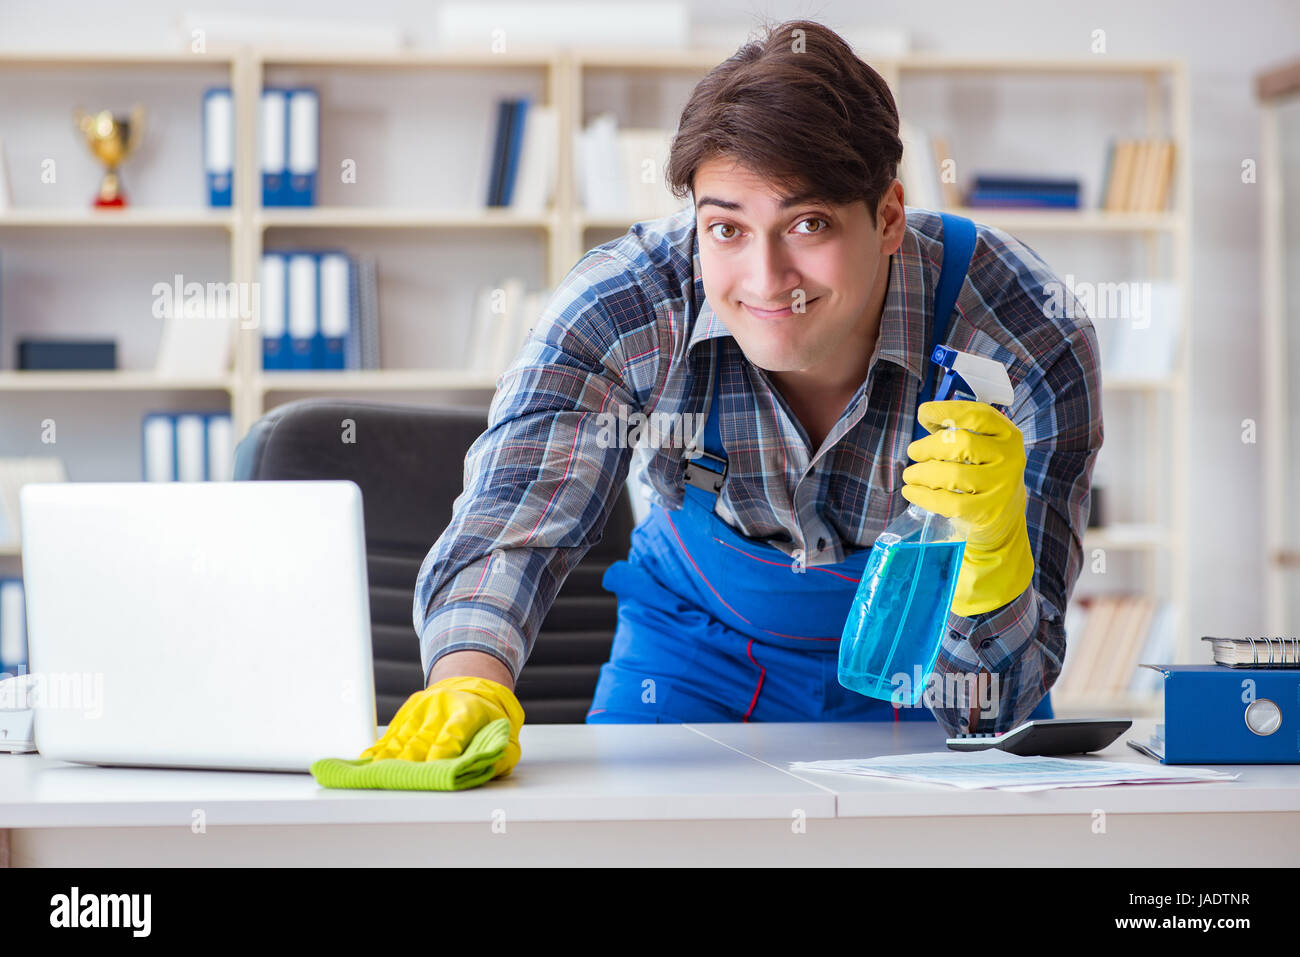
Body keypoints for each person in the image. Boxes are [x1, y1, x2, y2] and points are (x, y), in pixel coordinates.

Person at [362, 18, 1103, 782]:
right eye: (726, 227)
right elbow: (513, 523)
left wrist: (993, 564)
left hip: (916, 667)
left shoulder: (1026, 331)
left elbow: (1000, 706)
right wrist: (467, 683)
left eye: (807, 224)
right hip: (691, 656)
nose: (764, 277)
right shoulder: (628, 304)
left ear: (886, 216)